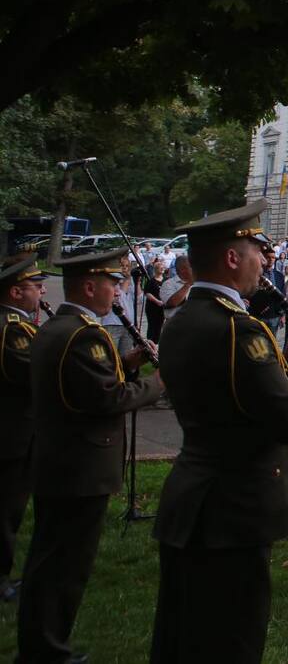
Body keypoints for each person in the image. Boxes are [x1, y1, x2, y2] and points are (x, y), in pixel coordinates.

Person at [150, 201, 288, 664]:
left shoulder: (185, 320)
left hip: (195, 498)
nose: (264, 261)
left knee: (182, 634)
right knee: (231, 638)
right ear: (231, 257)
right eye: (257, 251)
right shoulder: (240, 330)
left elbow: (236, 398)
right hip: (232, 509)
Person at [18, 249, 162, 664]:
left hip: (59, 459)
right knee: (64, 565)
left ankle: (41, 644)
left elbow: (82, 384)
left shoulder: (57, 327)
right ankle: (46, 650)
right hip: (79, 465)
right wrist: (158, 382)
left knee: (51, 558)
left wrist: (127, 363)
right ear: (88, 286)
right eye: (111, 283)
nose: (117, 291)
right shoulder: (84, 334)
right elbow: (107, 399)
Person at [0, 253, 45, 604]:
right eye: (35, 286)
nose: (42, 291)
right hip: (11, 434)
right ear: (16, 292)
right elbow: (37, 375)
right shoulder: (12, 330)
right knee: (6, 508)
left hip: (15, 430)